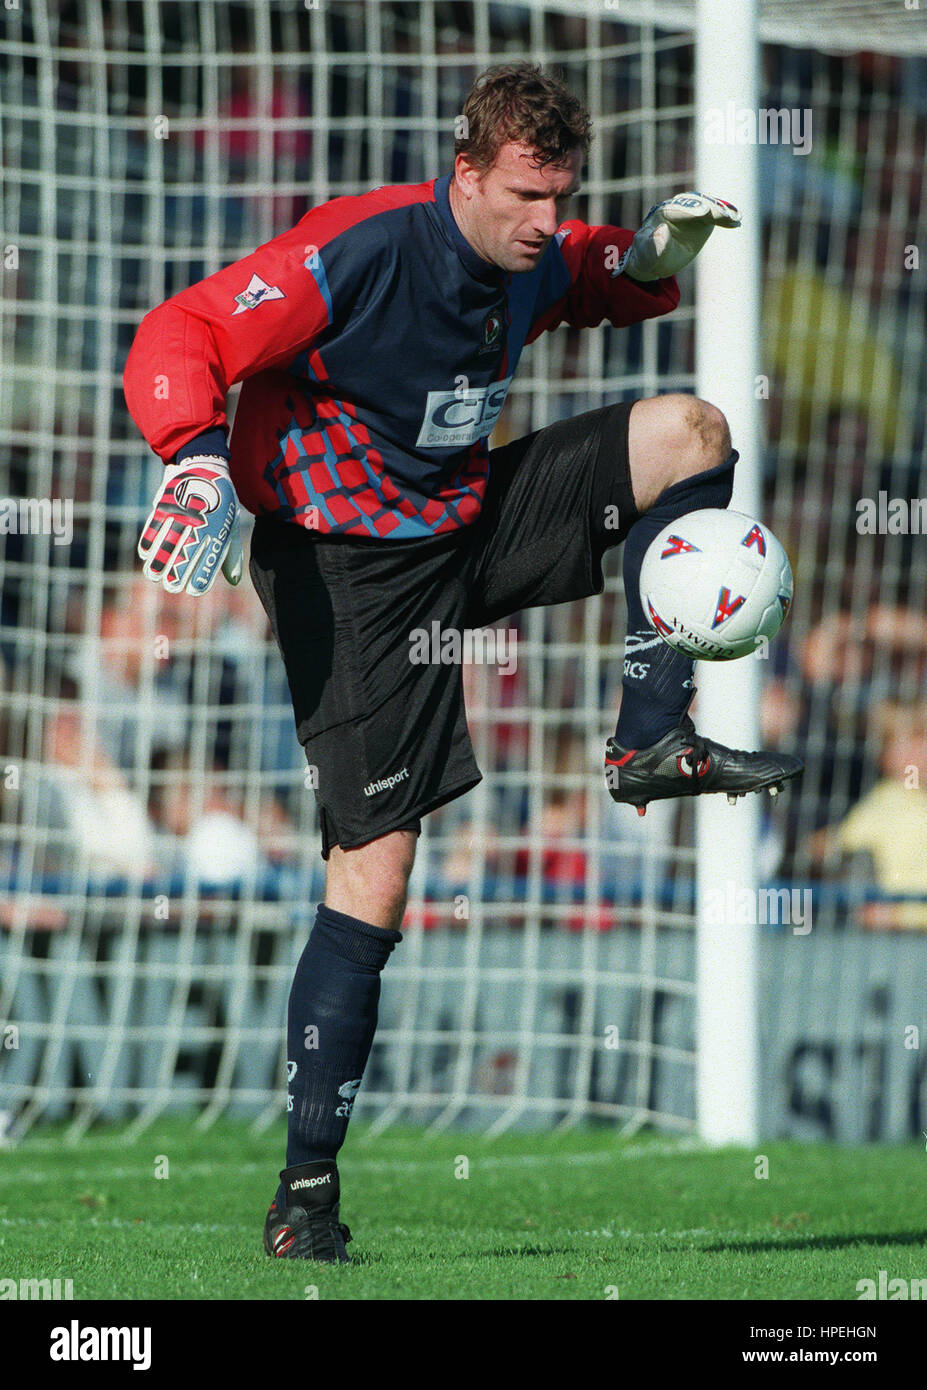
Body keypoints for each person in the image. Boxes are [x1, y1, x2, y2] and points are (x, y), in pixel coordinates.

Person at [123, 62, 801, 1263]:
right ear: (468, 172)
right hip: (348, 564)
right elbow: (182, 331)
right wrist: (191, 453)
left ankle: (650, 731)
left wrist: (652, 253)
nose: (548, 220)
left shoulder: (531, 249)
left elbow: (595, 275)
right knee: (377, 872)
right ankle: (306, 1196)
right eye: (531, 196)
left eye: (563, 196)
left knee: (692, 432)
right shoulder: (363, 247)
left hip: (465, 520)